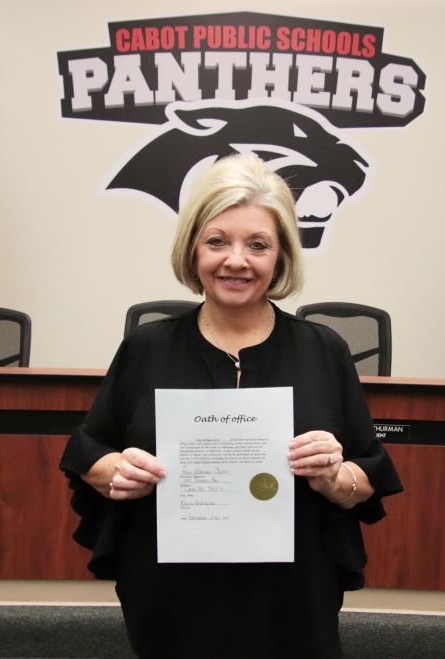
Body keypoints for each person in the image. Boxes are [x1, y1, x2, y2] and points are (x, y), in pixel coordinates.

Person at [60, 153, 403, 658]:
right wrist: (116, 471)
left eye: (257, 245)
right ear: (193, 250)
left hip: (291, 593)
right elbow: (88, 452)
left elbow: (369, 474)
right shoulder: (147, 347)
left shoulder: (323, 349)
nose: (236, 260)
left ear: (281, 255)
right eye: (217, 241)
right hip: (174, 590)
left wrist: (335, 478)